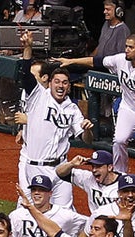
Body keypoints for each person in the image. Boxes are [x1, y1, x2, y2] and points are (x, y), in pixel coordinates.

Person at [57, 34, 135, 202]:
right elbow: (96, 61)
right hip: (128, 109)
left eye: (131, 47)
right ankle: (120, 180)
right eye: (126, 46)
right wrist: (72, 62)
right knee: (119, 140)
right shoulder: (120, 60)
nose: (127, 50)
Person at [16, 31, 91, 209]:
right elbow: (26, 75)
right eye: (57, 82)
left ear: (69, 86)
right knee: (29, 212)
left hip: (61, 168)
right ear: (49, 83)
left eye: (65, 83)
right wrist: (28, 48)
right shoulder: (38, 96)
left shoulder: (73, 109)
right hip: (35, 167)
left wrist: (87, 129)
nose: (60, 86)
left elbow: (86, 140)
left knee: (63, 215)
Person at [55, 149, 122, 216]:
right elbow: (59, 173)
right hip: (95, 223)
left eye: (98, 166)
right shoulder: (88, 178)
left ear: (110, 167)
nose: (94, 170)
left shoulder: (125, 183)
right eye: (93, 166)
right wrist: (71, 164)